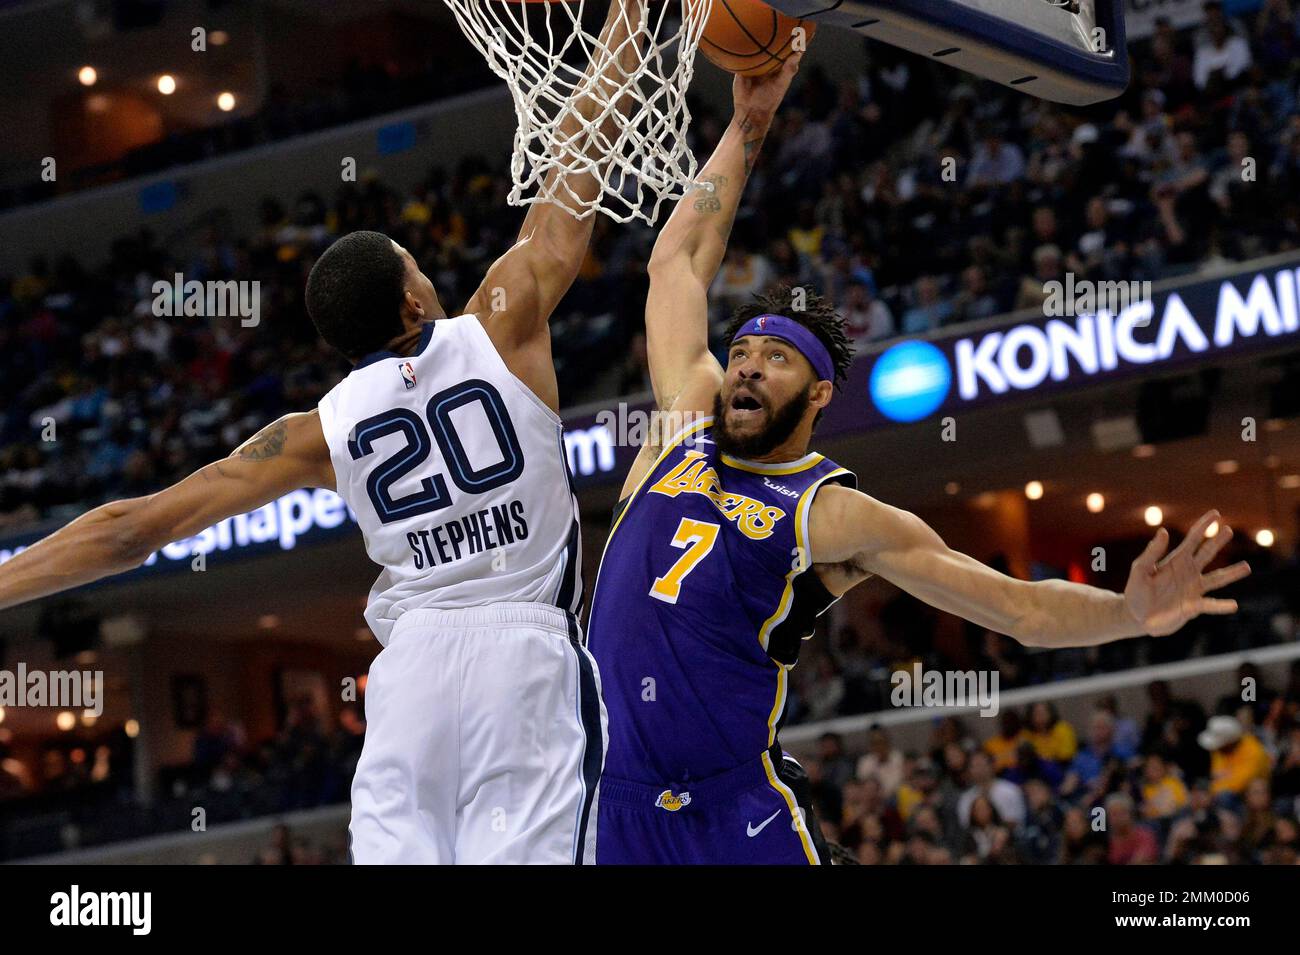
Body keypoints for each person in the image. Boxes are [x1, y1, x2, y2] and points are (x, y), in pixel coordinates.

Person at [0, 0, 650, 865]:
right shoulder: (503, 320)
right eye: (420, 267)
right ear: (416, 300)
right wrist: (631, 23)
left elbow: (133, 528)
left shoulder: (319, 429)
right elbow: (576, 161)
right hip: (522, 654)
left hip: (410, 674)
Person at [584, 29, 1251, 863]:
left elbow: (1013, 607)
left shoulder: (829, 512)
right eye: (743, 352)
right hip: (615, 805)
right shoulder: (681, 426)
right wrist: (749, 121)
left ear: (819, 392)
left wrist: (1127, 612)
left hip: (738, 815)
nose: (748, 369)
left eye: (776, 360)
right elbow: (678, 262)